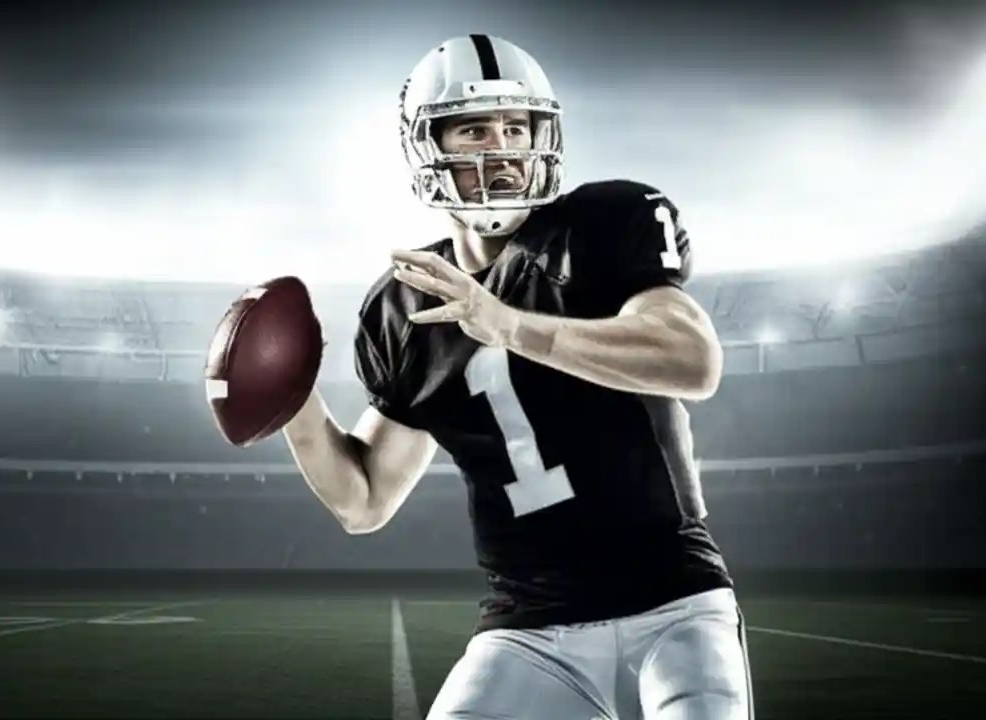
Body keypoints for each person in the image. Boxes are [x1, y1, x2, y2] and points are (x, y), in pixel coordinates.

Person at [282, 34, 752, 720]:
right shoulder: (406, 302)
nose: (503, 148)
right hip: (529, 626)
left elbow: (693, 359)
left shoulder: (601, 224)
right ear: (428, 147)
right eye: (475, 128)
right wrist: (293, 401)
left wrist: (506, 324)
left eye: (517, 126)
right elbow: (364, 499)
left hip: (674, 603)